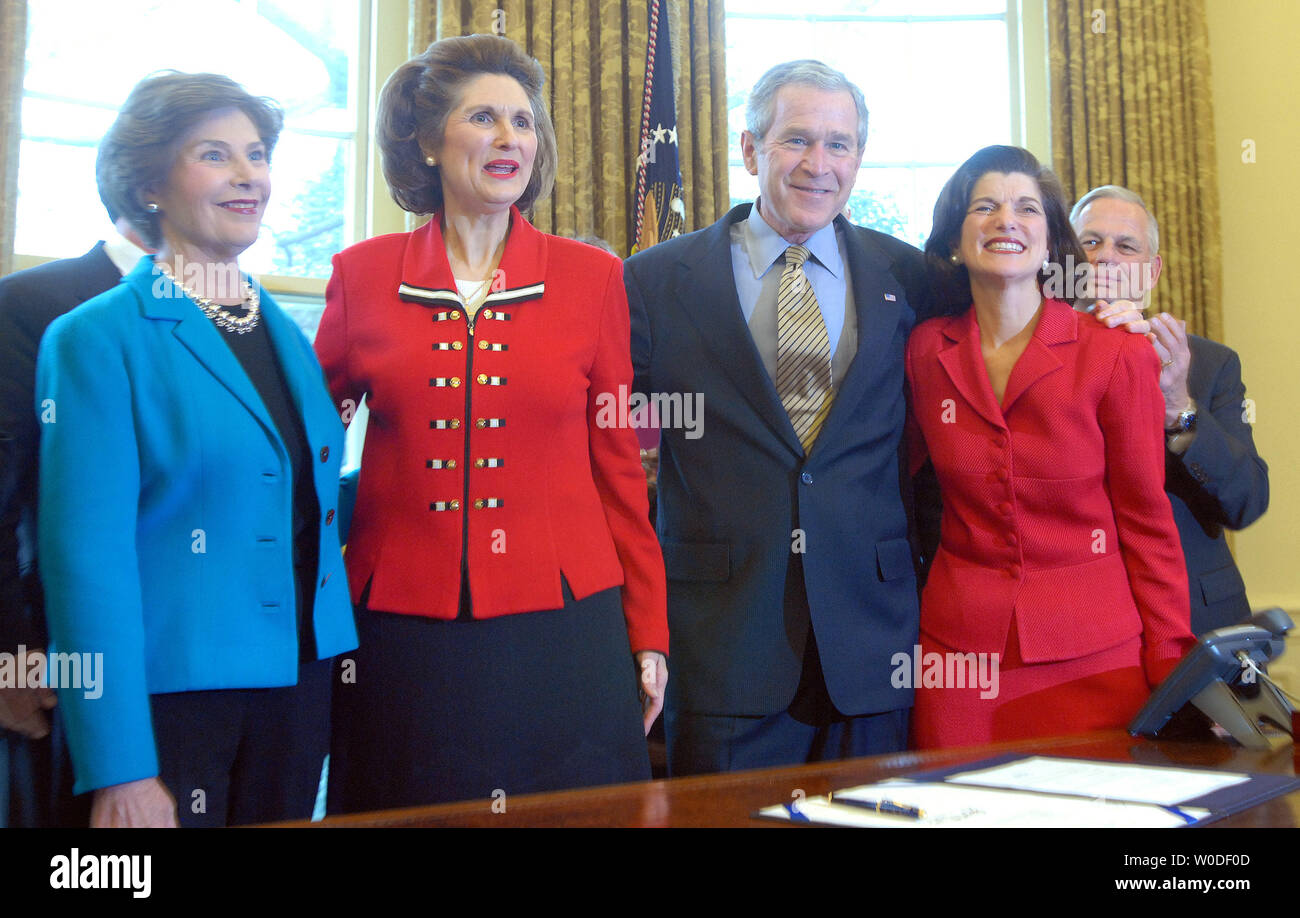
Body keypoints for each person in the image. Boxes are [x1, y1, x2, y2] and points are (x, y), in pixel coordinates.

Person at [315, 34, 668, 811]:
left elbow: (618, 470)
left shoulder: (594, 278)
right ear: (428, 141)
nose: (511, 138)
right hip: (403, 634)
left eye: (524, 121)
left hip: (565, 632)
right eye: (484, 118)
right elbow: (308, 457)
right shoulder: (362, 276)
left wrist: (647, 631)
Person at [35, 71, 356, 827]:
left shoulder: (284, 336)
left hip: (299, 687)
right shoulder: (95, 338)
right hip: (167, 704)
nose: (249, 175)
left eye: (257, 155)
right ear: (149, 183)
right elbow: (85, 565)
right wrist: (120, 768)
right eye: (215, 155)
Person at [624, 60, 937, 776]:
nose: (819, 165)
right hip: (723, 645)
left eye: (840, 144)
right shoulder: (655, 280)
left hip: (871, 647)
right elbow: (591, 428)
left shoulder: (910, 277)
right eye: (797, 140)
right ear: (749, 149)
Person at [905, 145, 1195, 747]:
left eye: (1027, 208)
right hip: (959, 662)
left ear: (1050, 239)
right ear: (956, 239)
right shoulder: (924, 351)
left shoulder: (1117, 353)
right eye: (984, 206)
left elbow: (1147, 521)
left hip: (1096, 657)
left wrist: (1172, 657)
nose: (1006, 220)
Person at [0, 214, 147, 827]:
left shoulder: (238, 317)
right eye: (210, 153)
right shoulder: (29, 303)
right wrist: (8, 650)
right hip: (55, 661)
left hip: (195, 669)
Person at [1070, 185, 1269, 635]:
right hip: (1081, 621)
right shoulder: (1031, 357)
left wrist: (1179, 405)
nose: (1105, 257)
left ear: (1152, 271)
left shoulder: (1210, 363)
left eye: (1126, 246)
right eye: (1090, 241)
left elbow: (1247, 502)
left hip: (1196, 620)